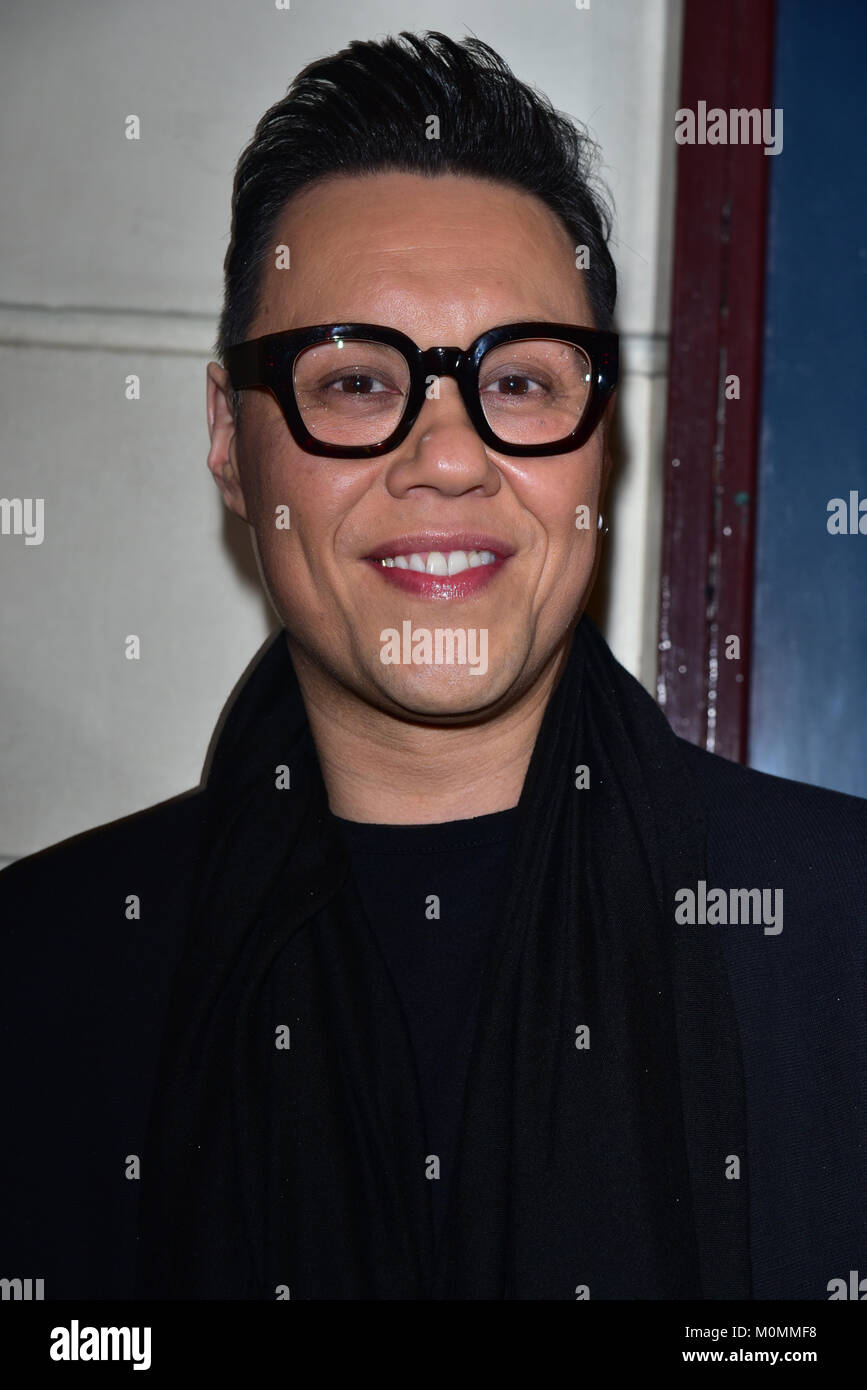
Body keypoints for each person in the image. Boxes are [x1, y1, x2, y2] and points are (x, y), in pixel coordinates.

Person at [1, 30, 864, 1303]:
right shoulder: (42, 982)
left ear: (601, 448)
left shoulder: (838, 945)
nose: (446, 458)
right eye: (355, 381)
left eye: (516, 382)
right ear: (230, 445)